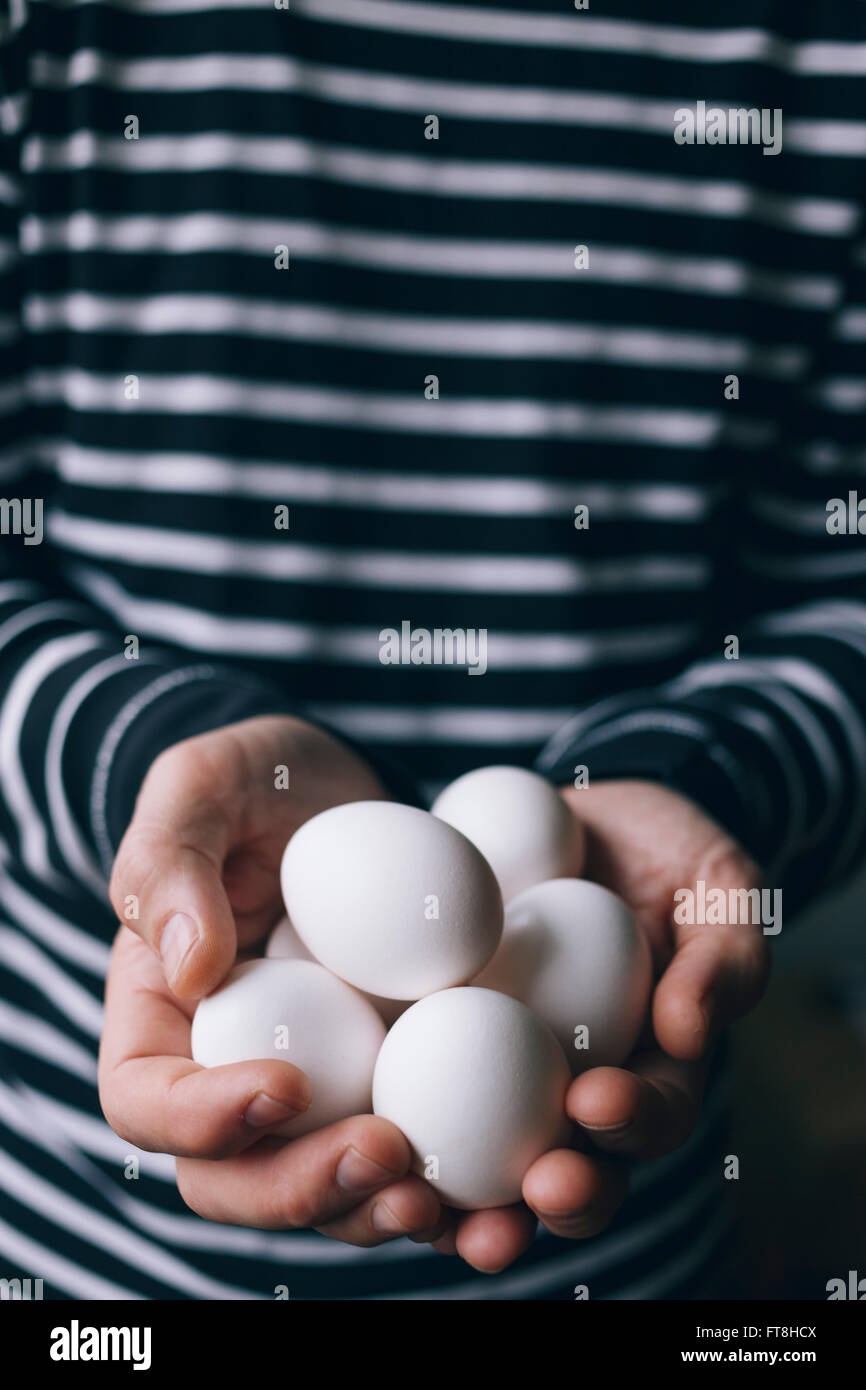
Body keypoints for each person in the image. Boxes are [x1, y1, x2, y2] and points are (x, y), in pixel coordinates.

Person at [0, 0, 864, 1301]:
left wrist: (701, 782)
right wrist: (149, 757)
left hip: (606, 1219)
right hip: (78, 1237)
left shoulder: (823, 57)